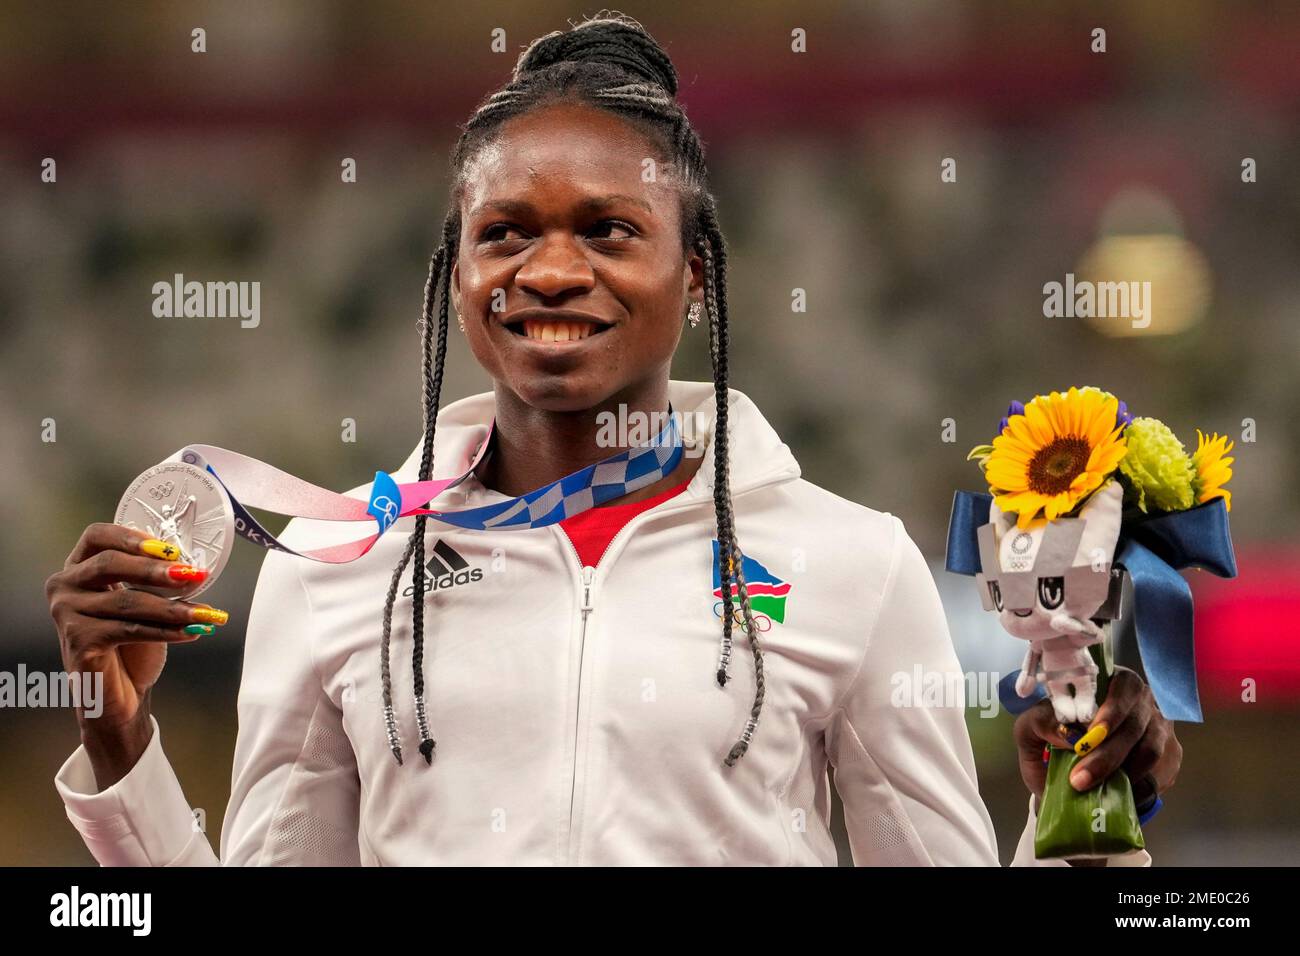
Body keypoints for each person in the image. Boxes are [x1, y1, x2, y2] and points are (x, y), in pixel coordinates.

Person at [44, 12, 1178, 866]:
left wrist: (1083, 820)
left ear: (695, 277)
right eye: (504, 233)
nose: (549, 270)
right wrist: (118, 734)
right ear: (455, 277)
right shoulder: (336, 568)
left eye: (608, 230)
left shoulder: (853, 563)